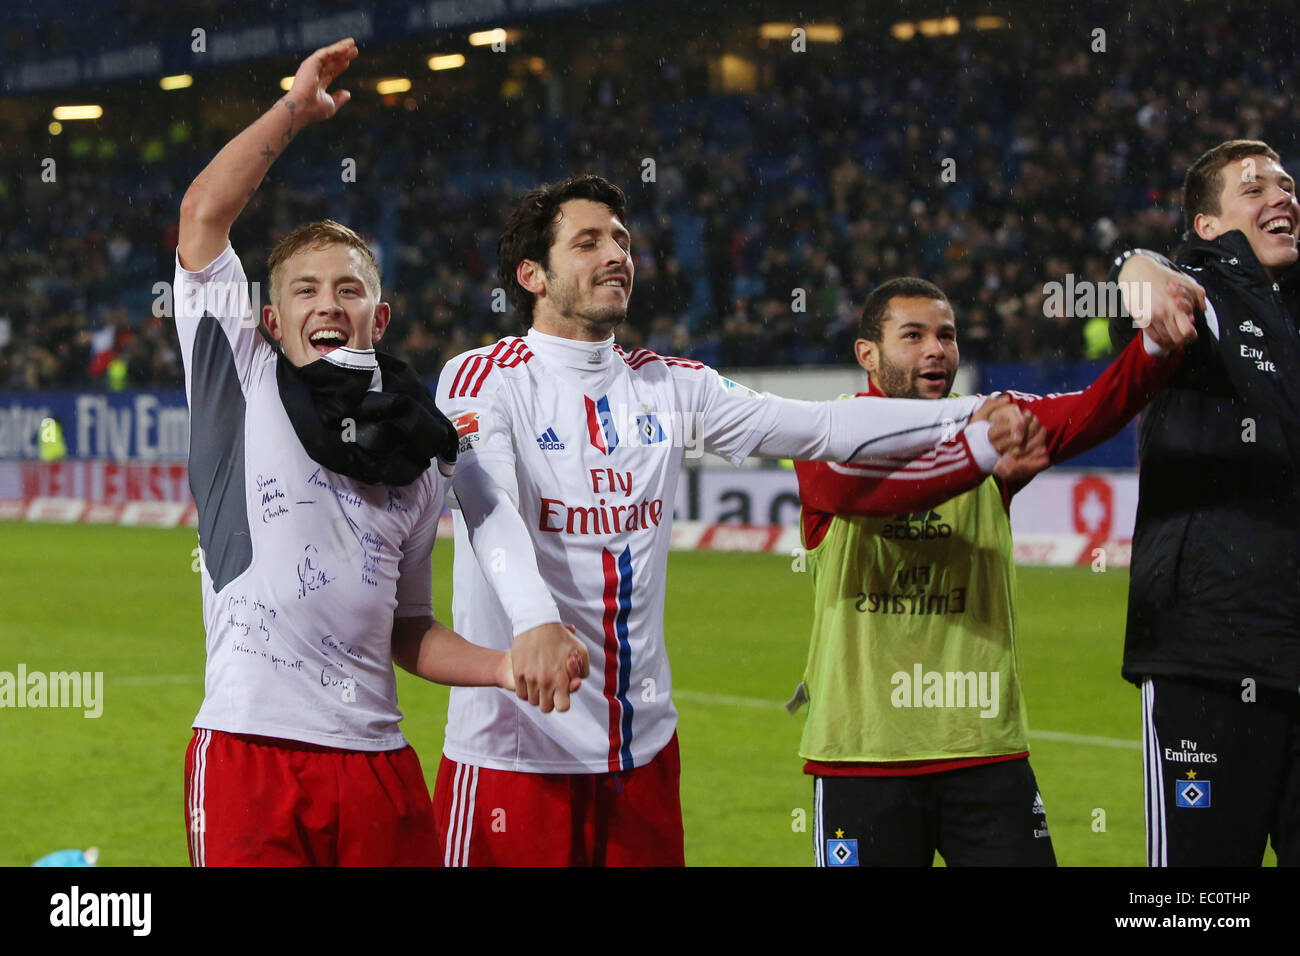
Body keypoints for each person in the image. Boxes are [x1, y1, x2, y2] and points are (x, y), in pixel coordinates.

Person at [432, 175, 1042, 866]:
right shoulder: (483, 376)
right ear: (531, 275)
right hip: (514, 750)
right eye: (588, 242)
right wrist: (534, 619)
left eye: (623, 241)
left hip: (642, 756)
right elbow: (488, 507)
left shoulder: (672, 385)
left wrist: (970, 413)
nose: (616, 255)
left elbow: (823, 427)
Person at [175, 38, 543, 866]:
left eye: (350, 289)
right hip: (249, 753)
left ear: (380, 319)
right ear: (272, 322)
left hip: (377, 764)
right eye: (305, 289)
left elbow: (407, 632)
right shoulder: (241, 381)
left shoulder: (417, 454)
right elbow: (203, 215)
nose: (328, 303)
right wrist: (294, 113)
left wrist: (505, 666)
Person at [792, 276, 1191, 867]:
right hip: (862, 756)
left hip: (983, 750)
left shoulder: (989, 419)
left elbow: (1093, 408)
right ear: (866, 354)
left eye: (947, 335)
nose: (937, 349)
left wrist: (1155, 345)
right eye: (914, 335)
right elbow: (857, 494)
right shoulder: (828, 429)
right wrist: (978, 451)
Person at [1110, 139, 1300, 866]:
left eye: (1286, 185)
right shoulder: (1204, 294)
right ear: (1210, 226)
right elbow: (1149, 274)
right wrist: (1140, 268)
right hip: (1209, 657)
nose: (1281, 196)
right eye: (1254, 189)